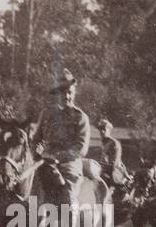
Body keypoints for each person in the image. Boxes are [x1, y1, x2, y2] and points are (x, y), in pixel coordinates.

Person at [33, 69, 91, 212]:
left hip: (68, 165)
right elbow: (35, 140)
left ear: (74, 93)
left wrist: (58, 158)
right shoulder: (46, 114)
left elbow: (81, 148)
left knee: (67, 197)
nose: (67, 96)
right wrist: (37, 153)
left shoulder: (80, 117)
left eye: (70, 92)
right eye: (63, 92)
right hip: (45, 162)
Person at [97, 118, 129, 189]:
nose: (102, 131)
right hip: (106, 170)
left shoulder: (113, 143)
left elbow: (115, 162)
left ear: (109, 130)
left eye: (104, 129)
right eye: (100, 129)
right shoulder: (104, 143)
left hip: (113, 173)